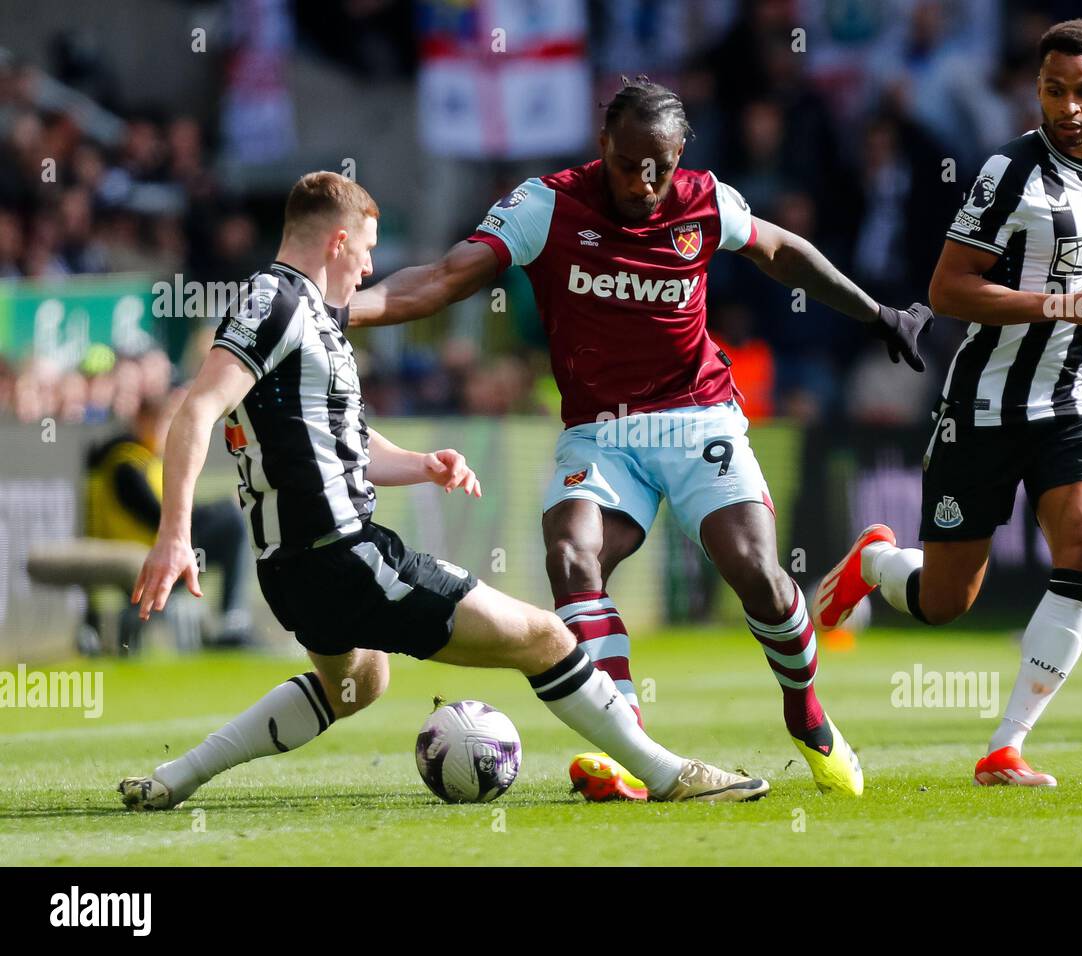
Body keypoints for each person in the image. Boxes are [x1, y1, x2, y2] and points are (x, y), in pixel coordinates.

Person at [349, 77, 934, 798]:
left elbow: (782, 252)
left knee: (755, 570)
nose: (644, 180)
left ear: (680, 153)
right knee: (571, 553)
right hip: (599, 432)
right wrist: (336, 310)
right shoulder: (548, 206)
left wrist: (878, 313)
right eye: (629, 162)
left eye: (659, 164)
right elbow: (441, 279)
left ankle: (806, 713)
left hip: (699, 416)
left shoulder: (704, 200)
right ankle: (626, 742)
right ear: (604, 147)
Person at [119, 171, 768, 810]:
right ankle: (666, 774)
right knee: (545, 638)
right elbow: (198, 409)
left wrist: (418, 463)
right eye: (367, 252)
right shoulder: (278, 299)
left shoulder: (310, 318)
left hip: (294, 571)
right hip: (345, 554)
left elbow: (329, 445)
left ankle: (178, 777)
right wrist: (174, 533)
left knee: (358, 685)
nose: (368, 270)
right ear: (338, 243)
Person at [816, 19, 1082, 787]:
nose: (1069, 107)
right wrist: (1062, 307)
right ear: (1038, 90)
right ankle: (878, 561)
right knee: (947, 600)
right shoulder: (1010, 173)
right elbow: (947, 289)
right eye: (1054, 90)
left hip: (1079, 399)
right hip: (986, 403)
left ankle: (1005, 746)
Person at [84, 387, 254, 649]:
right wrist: (224, 505)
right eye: (162, 421)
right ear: (141, 419)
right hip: (143, 553)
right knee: (231, 521)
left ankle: (232, 621)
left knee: (231, 526)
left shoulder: (143, 459)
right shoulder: (125, 464)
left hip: (153, 549)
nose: (166, 432)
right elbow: (161, 517)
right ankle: (232, 621)